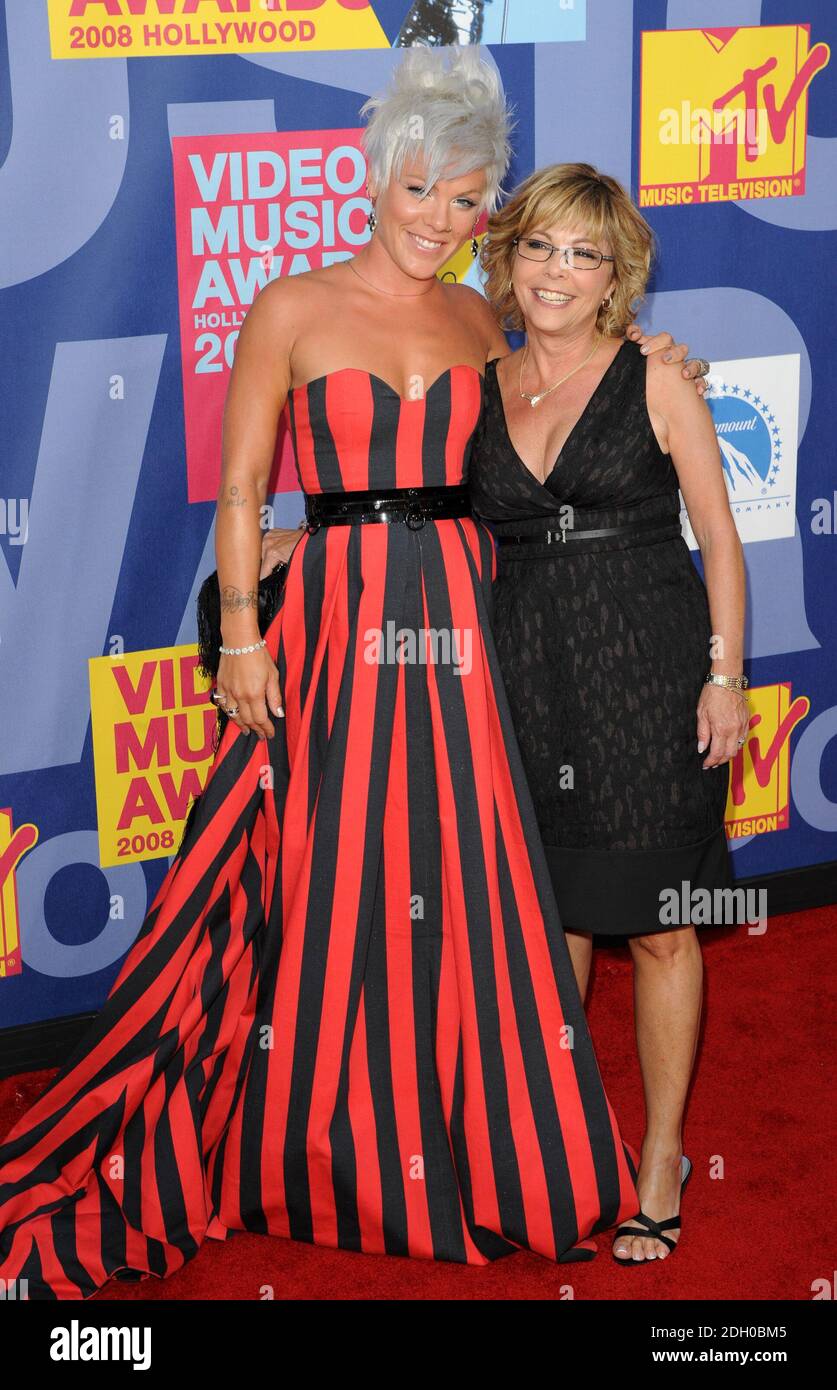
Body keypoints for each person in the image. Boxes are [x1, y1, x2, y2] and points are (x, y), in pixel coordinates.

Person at [0, 49, 706, 1299]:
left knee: (467, 876)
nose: (439, 217)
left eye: (468, 198)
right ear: (377, 176)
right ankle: (332, 1141)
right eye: (420, 188)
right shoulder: (290, 304)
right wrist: (239, 630)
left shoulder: (486, 314)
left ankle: (469, 1131)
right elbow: (238, 490)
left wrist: (666, 363)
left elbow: (566, 383)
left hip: (468, 627)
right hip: (336, 628)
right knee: (336, 871)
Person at [468, 162, 748, 1266]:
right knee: (560, 925)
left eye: (584, 254)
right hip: (530, 675)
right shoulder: (479, 383)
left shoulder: (655, 376)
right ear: (510, 255)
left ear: (615, 276)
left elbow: (720, 536)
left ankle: (661, 1158)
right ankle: (558, 1153)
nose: (557, 271)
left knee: (662, 920)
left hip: (647, 663)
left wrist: (723, 673)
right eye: (540, 245)